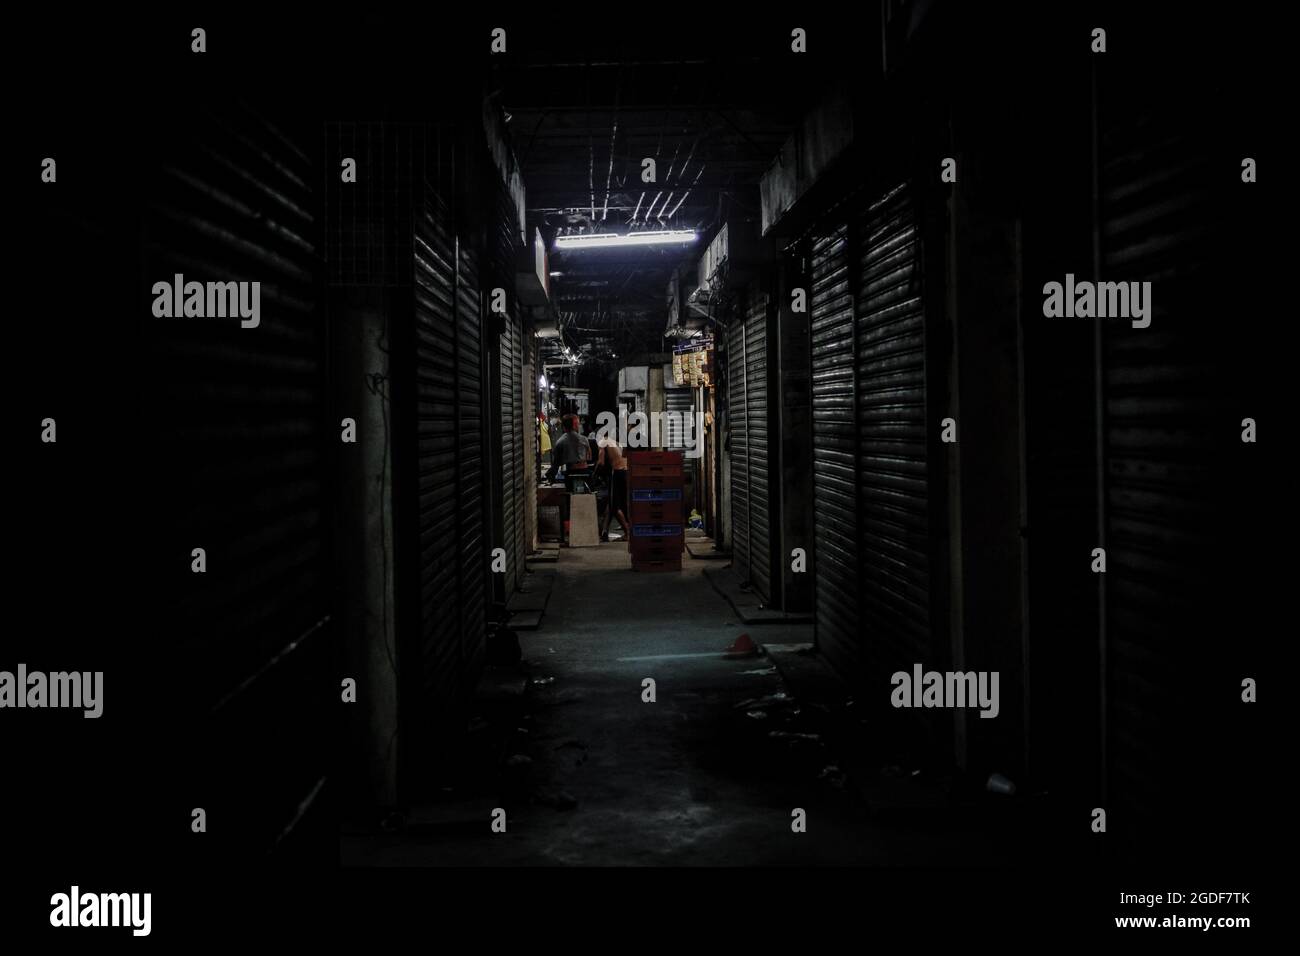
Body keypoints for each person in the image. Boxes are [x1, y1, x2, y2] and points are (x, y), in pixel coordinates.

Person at [598, 437, 630, 542]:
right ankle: (604, 531)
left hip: (617, 473)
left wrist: (594, 473)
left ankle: (627, 533)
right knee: (618, 504)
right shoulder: (618, 442)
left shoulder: (603, 441)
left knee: (614, 506)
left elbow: (601, 462)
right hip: (626, 472)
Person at [548, 414, 590, 483]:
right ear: (574, 425)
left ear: (564, 427)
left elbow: (556, 462)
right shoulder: (584, 439)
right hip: (584, 471)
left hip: (570, 473)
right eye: (578, 424)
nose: (579, 426)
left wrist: (551, 476)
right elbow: (589, 457)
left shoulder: (560, 442)